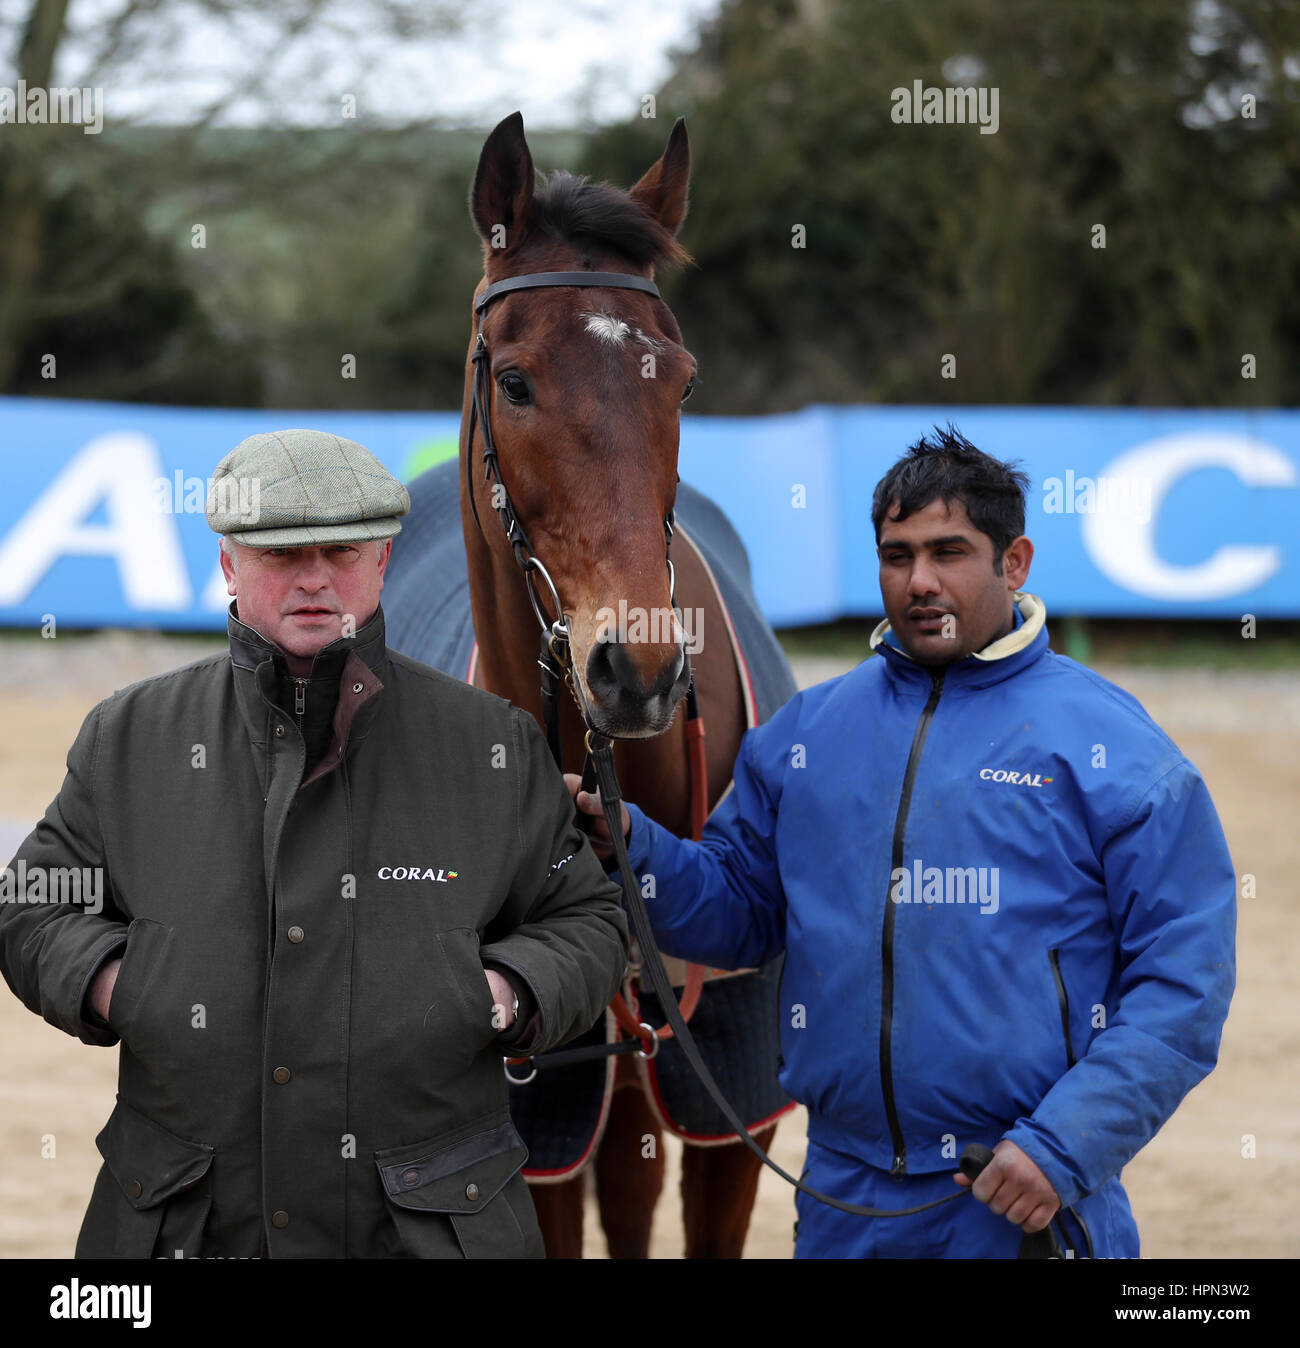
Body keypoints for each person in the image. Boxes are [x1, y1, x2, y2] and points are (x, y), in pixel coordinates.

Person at [570, 426, 1236, 1259]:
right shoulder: (807, 735)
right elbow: (739, 913)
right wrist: (628, 844)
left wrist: (1064, 1148)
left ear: (1015, 561)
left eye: (949, 551)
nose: (920, 581)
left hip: (1016, 1194)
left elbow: (1183, 982)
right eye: (897, 555)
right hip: (843, 1204)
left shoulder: (1114, 750)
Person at [0, 429, 628, 1259]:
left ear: (383, 560)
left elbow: (587, 919)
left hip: (430, 1226)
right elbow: (34, 905)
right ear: (229, 564)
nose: (314, 577)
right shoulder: (131, 735)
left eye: (340, 550)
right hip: (182, 1224)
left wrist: (501, 994)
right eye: (281, 552)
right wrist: (128, 986)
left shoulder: (492, 743)